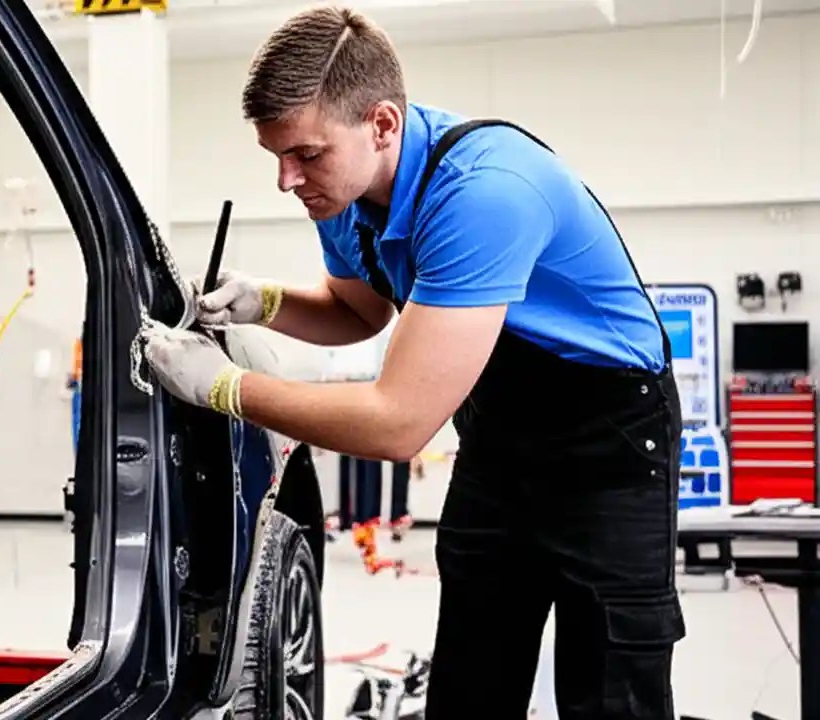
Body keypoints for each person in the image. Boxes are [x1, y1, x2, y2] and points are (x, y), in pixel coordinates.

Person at [140, 4, 686, 718]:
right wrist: (265, 300)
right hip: (500, 445)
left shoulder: (487, 193)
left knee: (612, 688)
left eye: (305, 153)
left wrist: (225, 389)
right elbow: (359, 309)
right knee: (471, 681)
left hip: (607, 443)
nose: (287, 178)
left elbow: (398, 425)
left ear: (383, 124)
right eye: (276, 156)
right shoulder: (346, 192)